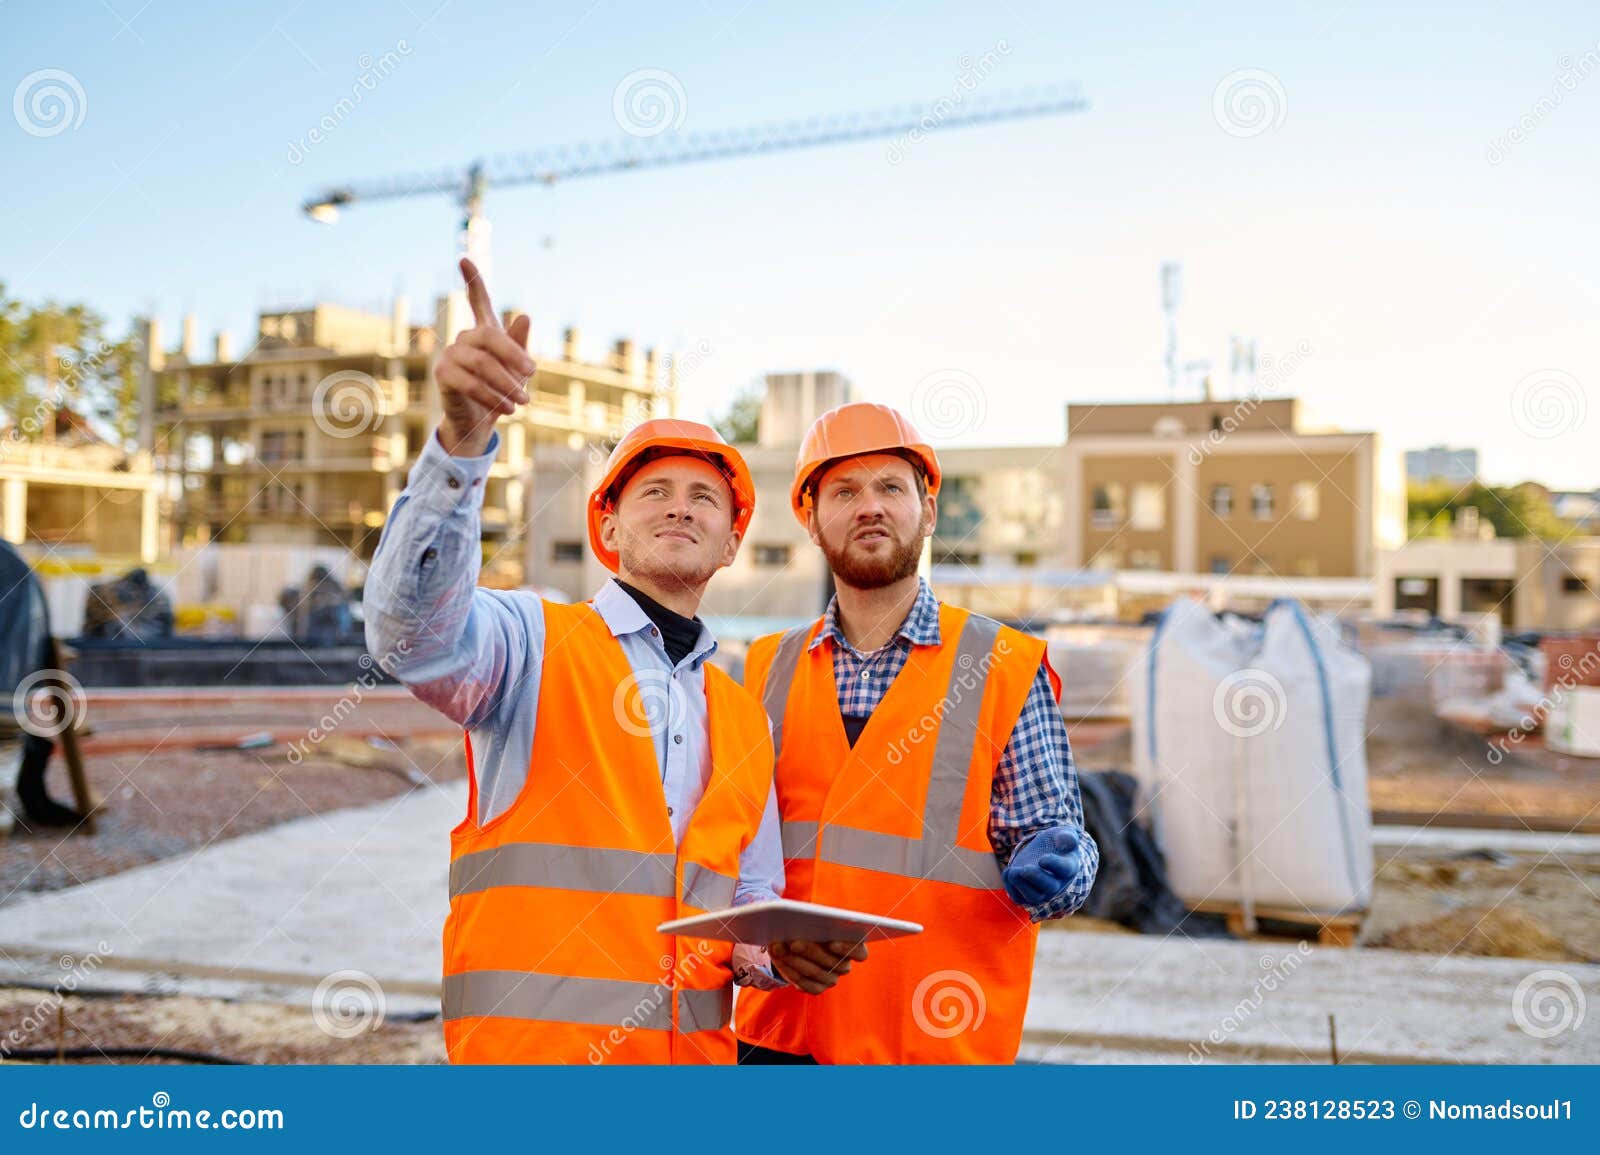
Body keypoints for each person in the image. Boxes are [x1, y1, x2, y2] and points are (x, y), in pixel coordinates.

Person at [364, 259, 855, 1063]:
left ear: (732, 542)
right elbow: (409, 637)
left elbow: (748, 900)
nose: (678, 505)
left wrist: (779, 954)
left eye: (704, 497)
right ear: (609, 530)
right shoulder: (531, 645)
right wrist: (460, 446)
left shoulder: (739, 718)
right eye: (653, 490)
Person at [735, 402, 1100, 1064]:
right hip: (781, 1040)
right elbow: (727, 859)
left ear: (928, 512)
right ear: (811, 520)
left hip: (937, 1045)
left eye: (890, 487)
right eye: (843, 490)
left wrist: (1063, 865)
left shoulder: (1003, 666)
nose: (868, 506)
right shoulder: (763, 669)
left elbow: (1059, 852)